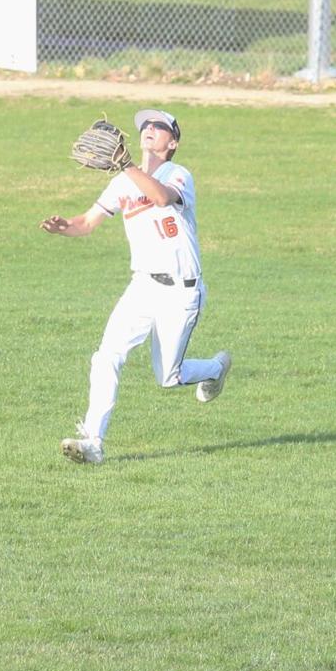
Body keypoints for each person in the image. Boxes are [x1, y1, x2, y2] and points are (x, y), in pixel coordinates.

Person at [40, 109, 233, 465]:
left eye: (160, 127)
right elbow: (86, 222)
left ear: (172, 143)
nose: (150, 129)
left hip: (181, 290)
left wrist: (127, 164)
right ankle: (93, 442)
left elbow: (160, 198)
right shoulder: (122, 183)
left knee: (168, 378)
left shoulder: (179, 174)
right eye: (146, 125)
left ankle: (216, 369)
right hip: (142, 286)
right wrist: (63, 226)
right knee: (106, 355)